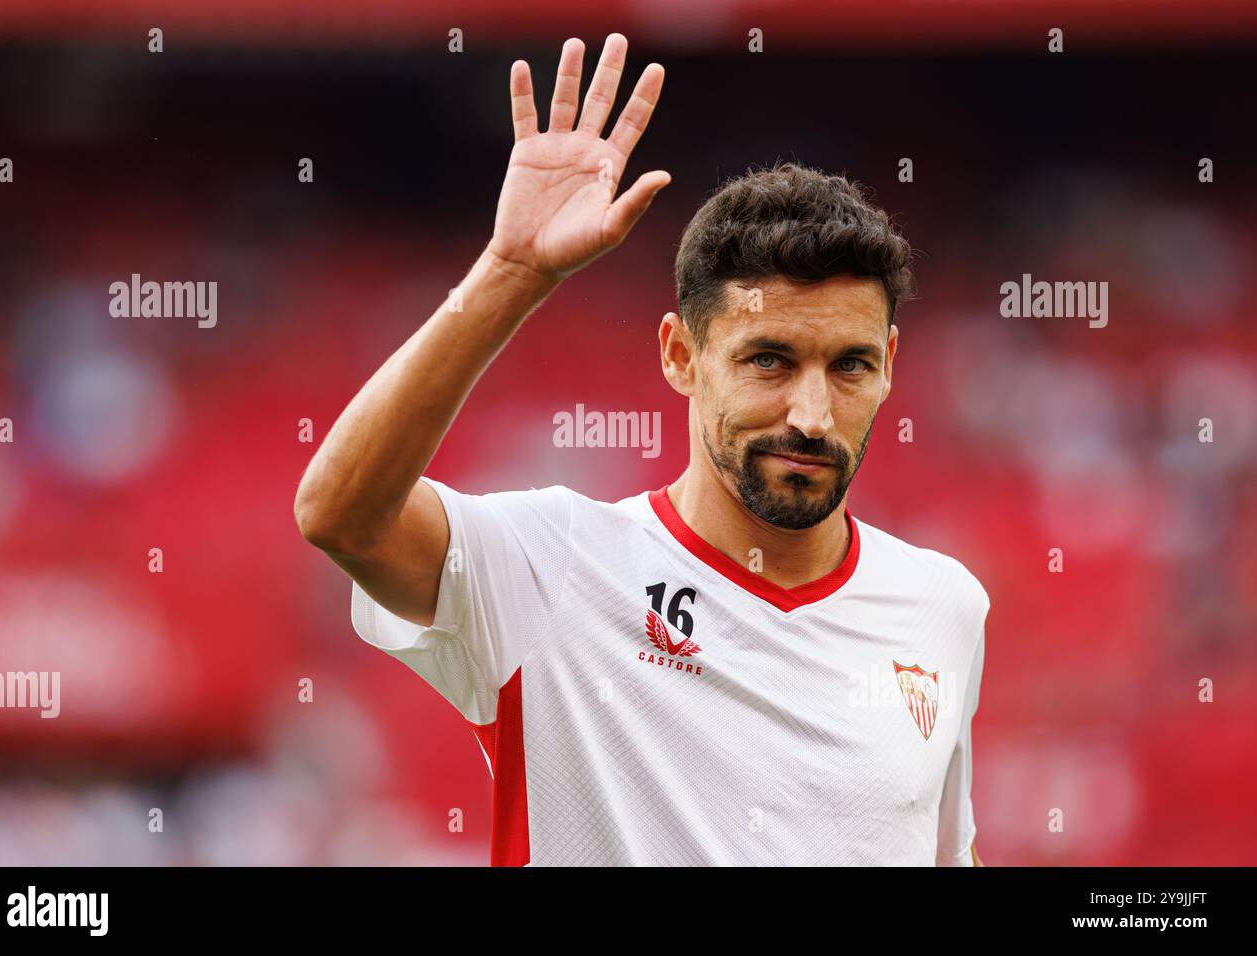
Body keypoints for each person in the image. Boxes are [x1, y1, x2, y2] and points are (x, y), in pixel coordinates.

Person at [295, 33, 988, 867]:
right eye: (768, 360)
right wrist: (512, 270)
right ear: (680, 356)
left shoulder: (943, 604)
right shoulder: (553, 566)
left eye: (850, 366)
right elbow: (339, 515)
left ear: (890, 370)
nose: (812, 414)